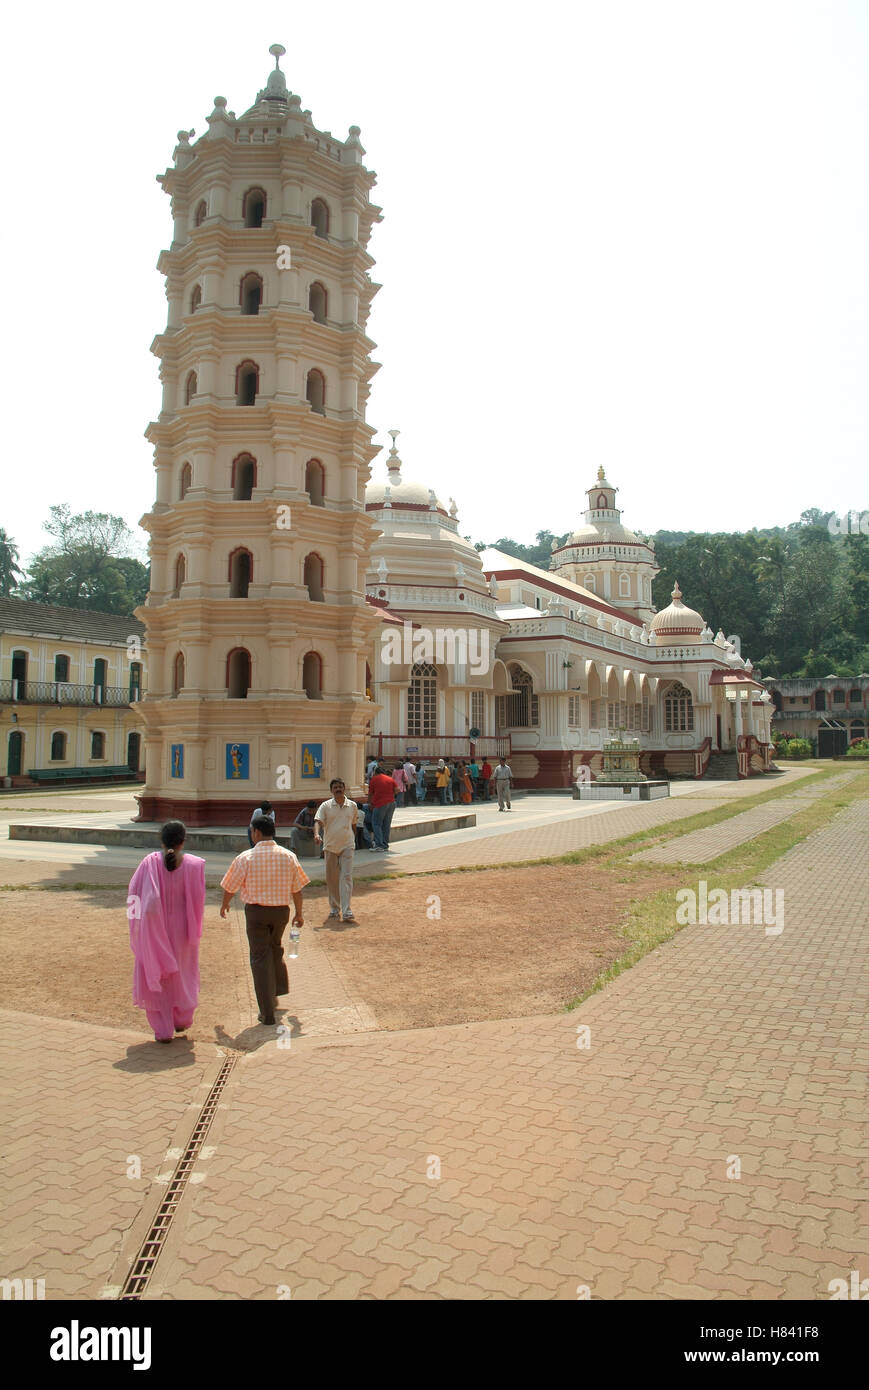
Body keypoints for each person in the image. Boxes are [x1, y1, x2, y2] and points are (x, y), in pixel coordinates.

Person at [220, 815, 309, 1026]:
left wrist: (225, 904)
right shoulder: (288, 856)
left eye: (252, 831)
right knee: (275, 948)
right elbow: (297, 889)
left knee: (260, 958)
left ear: (256, 833)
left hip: (257, 913)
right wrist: (299, 913)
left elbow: (230, 885)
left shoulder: (246, 857)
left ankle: (266, 1011)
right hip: (280, 912)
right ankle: (276, 989)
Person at [127, 820, 206, 1044]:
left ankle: (163, 1029)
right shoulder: (195, 864)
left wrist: (139, 925)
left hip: (155, 930)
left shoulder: (149, 863)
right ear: (184, 840)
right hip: (183, 930)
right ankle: (181, 1019)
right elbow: (199, 902)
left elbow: (134, 894)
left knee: (159, 975)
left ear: (162, 840)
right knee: (183, 972)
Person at [314, 778, 359, 921]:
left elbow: (354, 824)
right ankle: (334, 908)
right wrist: (316, 834)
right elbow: (318, 821)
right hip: (330, 847)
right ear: (331, 790)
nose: (338, 789)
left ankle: (346, 911)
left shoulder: (352, 806)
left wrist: (352, 839)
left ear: (344, 788)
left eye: (340, 786)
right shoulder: (325, 806)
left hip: (347, 846)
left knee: (346, 877)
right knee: (332, 879)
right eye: (335, 787)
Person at [368, 763, 398, 850]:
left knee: (376, 823)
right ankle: (385, 844)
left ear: (375, 772)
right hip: (391, 803)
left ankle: (379, 844)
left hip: (380, 803)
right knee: (386, 824)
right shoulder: (390, 779)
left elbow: (370, 794)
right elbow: (397, 790)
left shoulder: (374, 779)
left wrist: (370, 803)